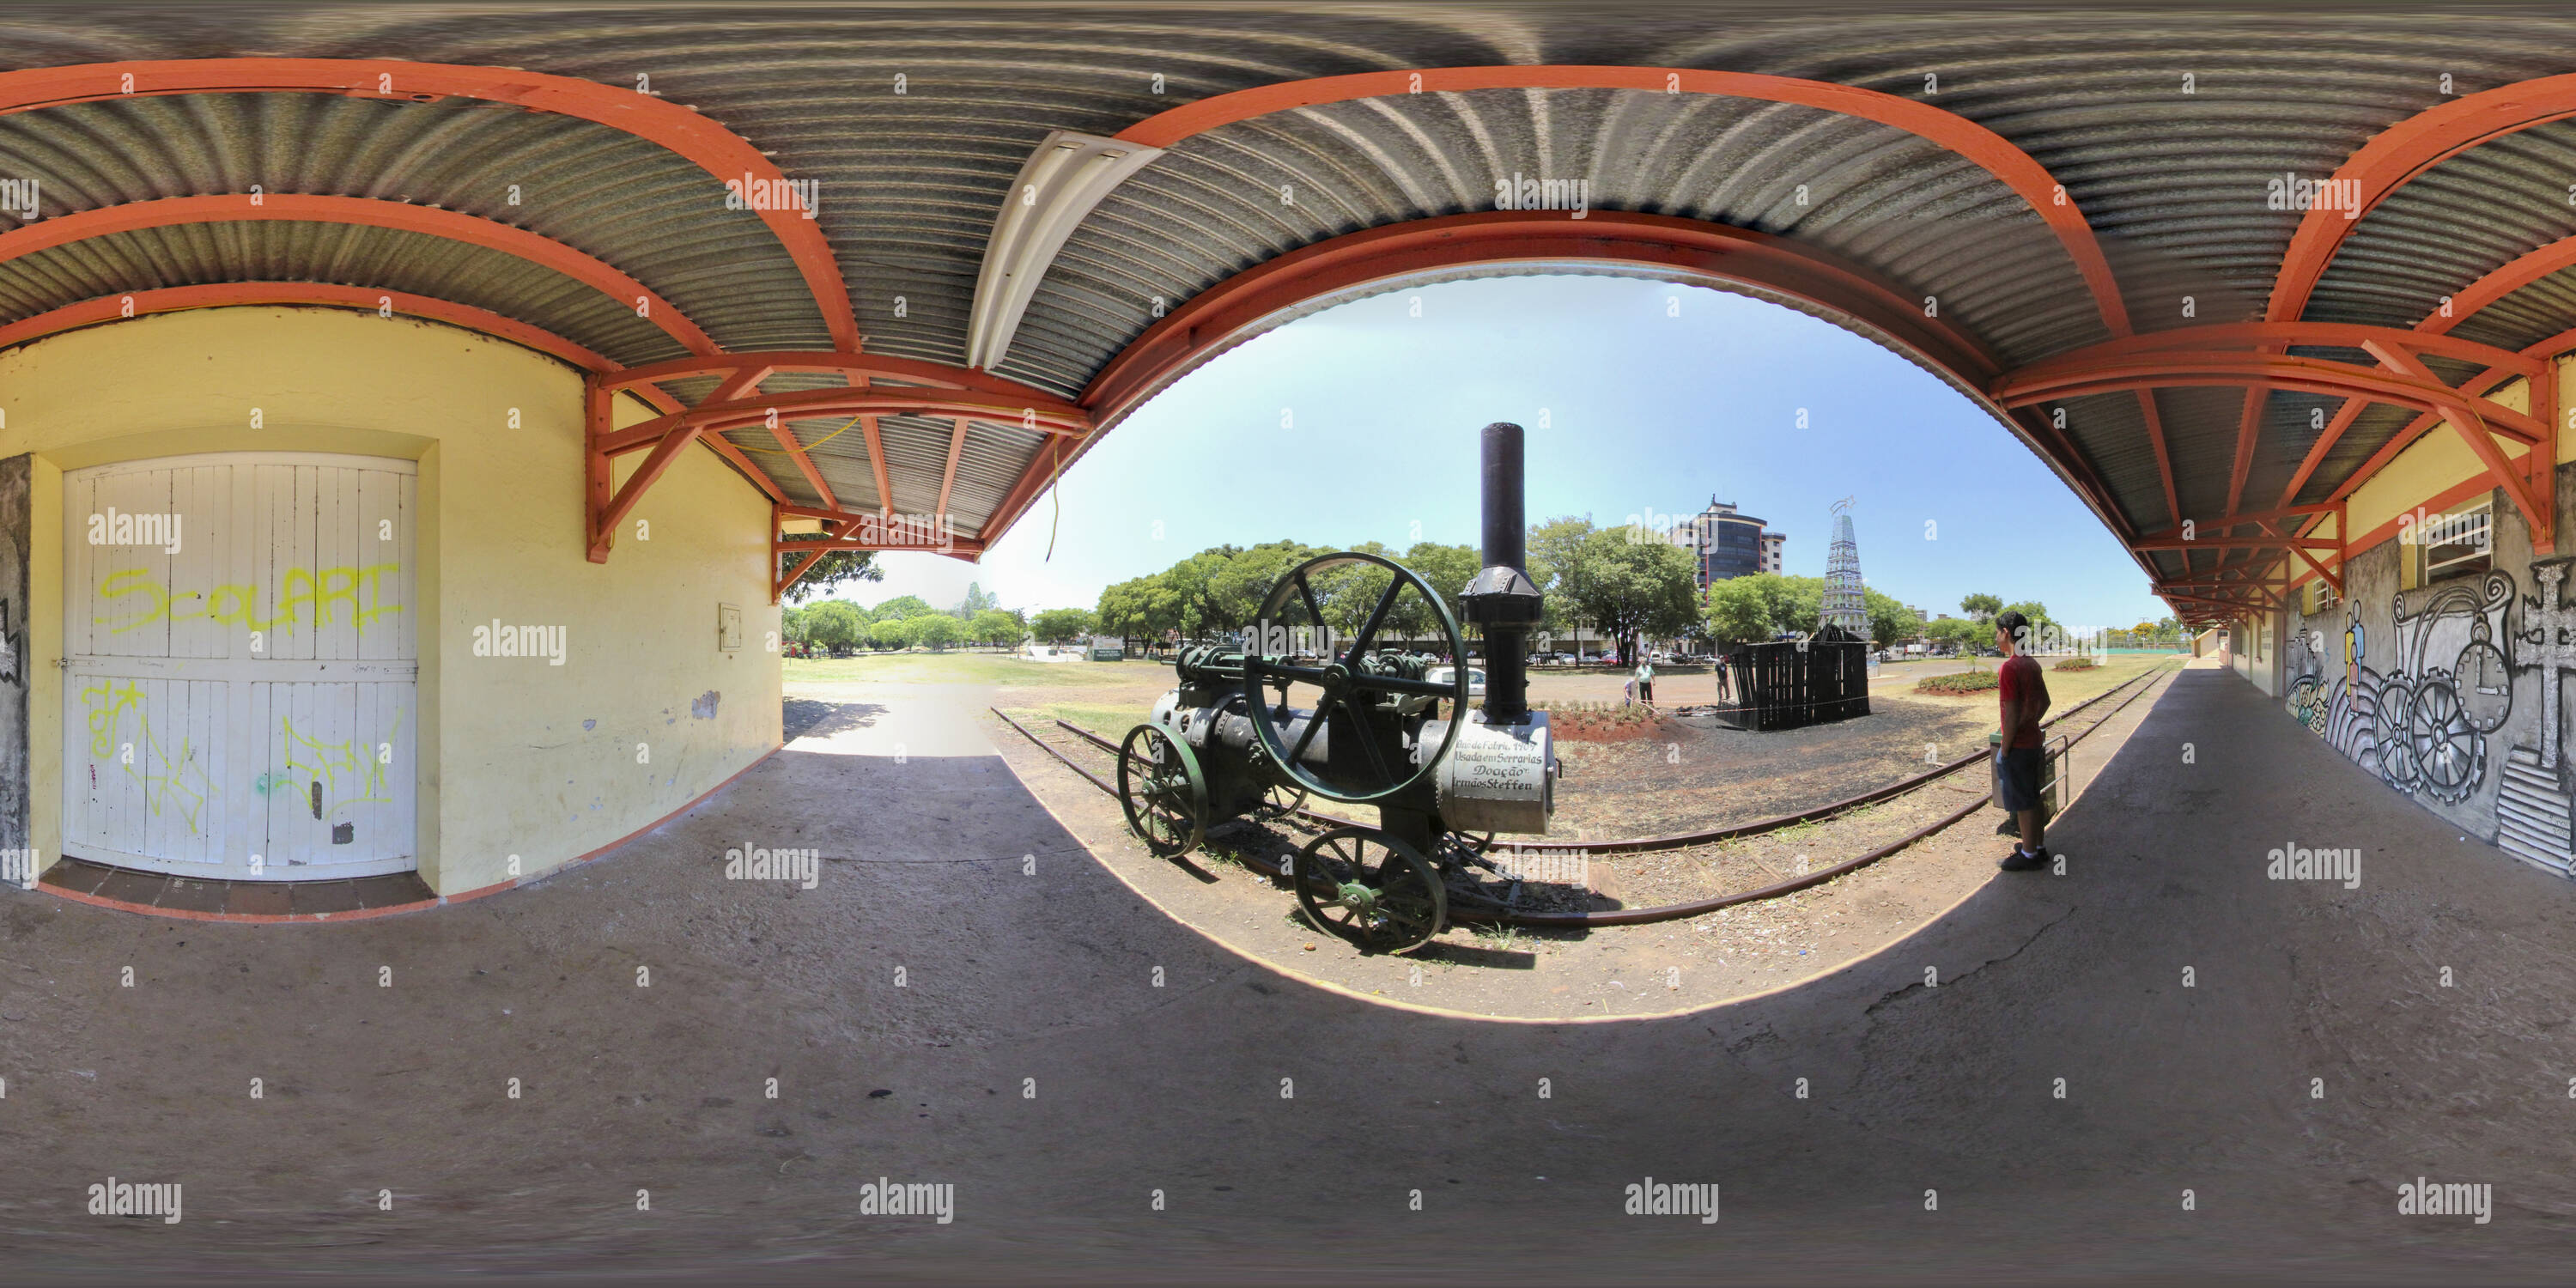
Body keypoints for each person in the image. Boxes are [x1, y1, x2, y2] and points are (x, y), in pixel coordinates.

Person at [1993, 610, 2052, 871]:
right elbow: (2045, 702)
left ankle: (2029, 855)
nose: (1996, 637)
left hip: (2018, 746)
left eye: (1997, 631)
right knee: (2034, 795)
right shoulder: (2032, 664)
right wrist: (2031, 721)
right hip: (2033, 741)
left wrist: (2005, 749)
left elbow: (2012, 712)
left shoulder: (2010, 667)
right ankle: (2037, 846)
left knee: (2023, 800)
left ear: (2006, 632)